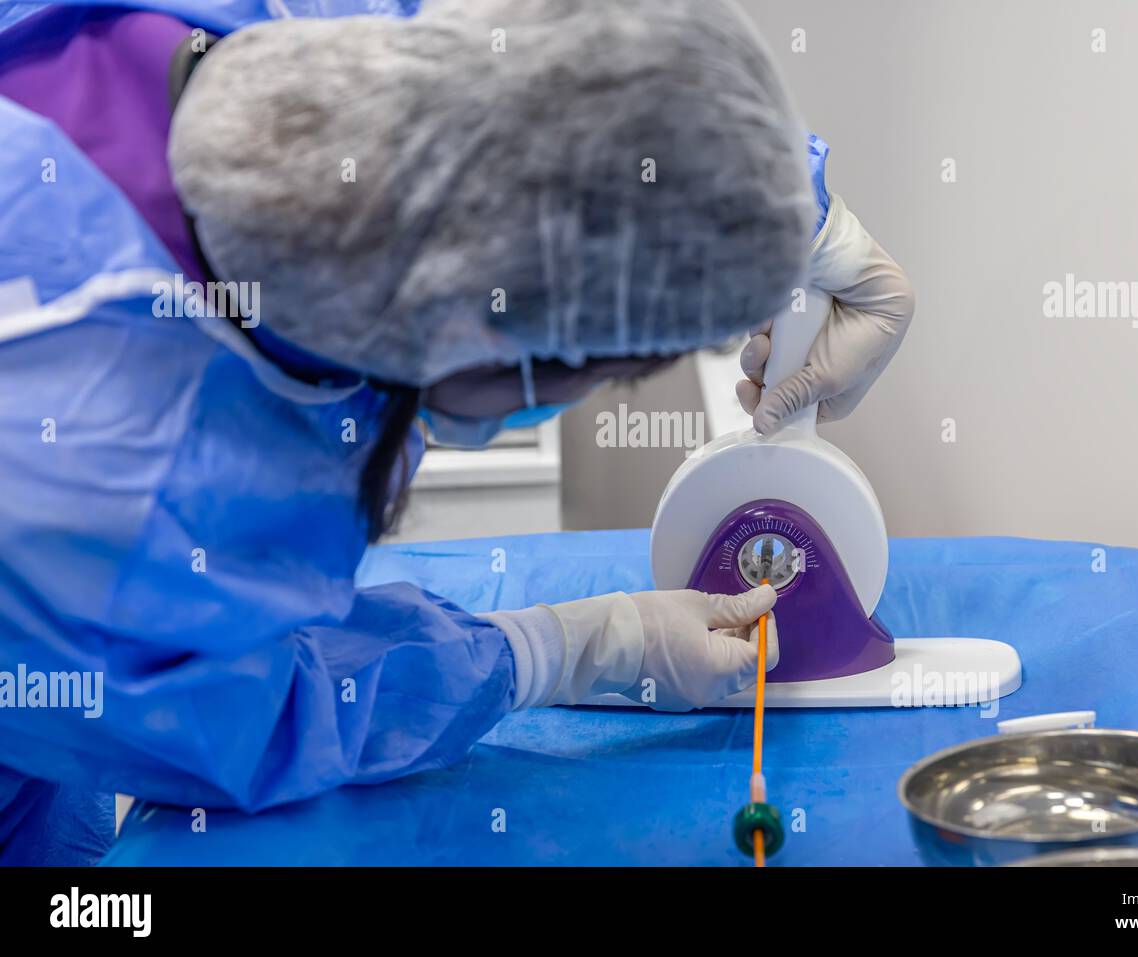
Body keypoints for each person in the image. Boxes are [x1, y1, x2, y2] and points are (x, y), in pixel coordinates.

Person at [0, 0, 913, 863]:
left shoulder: (328, 46)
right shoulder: (91, 501)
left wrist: (800, 216)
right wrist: (572, 645)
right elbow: (250, 713)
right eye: (611, 371)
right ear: (481, 346)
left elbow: (546, 83)